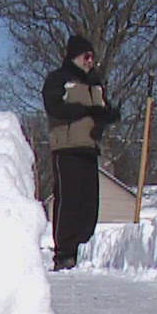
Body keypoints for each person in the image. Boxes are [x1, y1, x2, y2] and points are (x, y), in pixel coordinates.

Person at [42, 34, 119, 271]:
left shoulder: (95, 84)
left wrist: (106, 117)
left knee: (89, 203)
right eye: (87, 56)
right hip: (67, 148)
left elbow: (104, 109)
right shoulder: (60, 79)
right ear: (75, 56)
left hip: (89, 148)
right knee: (69, 201)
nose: (90, 62)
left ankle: (83, 247)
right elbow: (54, 107)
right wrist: (84, 111)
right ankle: (64, 252)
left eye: (92, 57)